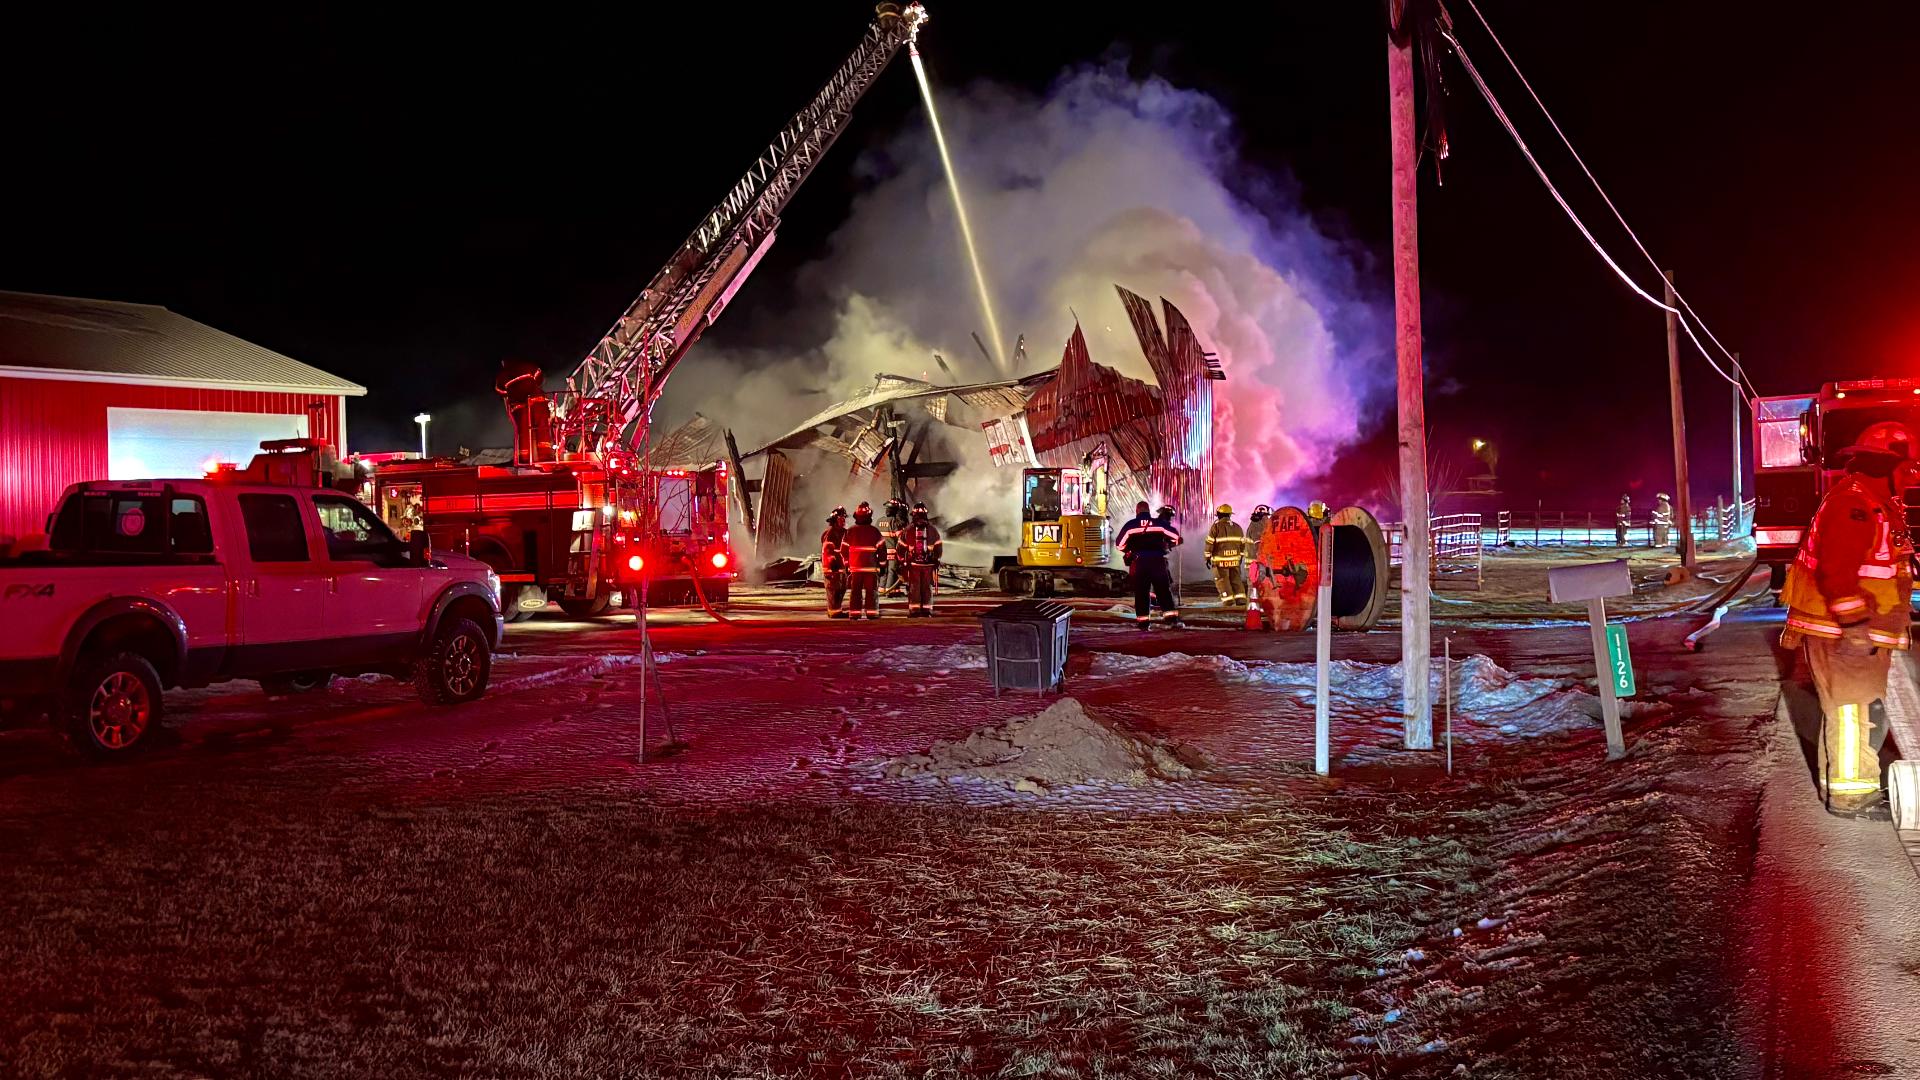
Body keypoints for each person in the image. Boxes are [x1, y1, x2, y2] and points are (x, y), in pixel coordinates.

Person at [1779, 421, 1918, 818]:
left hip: (1858, 633)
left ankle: (1851, 787)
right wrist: (1855, 627)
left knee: (1860, 710)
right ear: (1886, 465)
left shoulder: (1871, 500)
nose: (1909, 477)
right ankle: (1851, 796)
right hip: (1844, 634)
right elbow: (1838, 574)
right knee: (1853, 713)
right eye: (1905, 468)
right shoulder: (1855, 504)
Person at [1118, 502, 1181, 628]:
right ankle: (1171, 620)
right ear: (1148, 511)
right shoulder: (1159, 524)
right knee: (1163, 591)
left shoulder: (1130, 525)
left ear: (1137, 511)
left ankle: (1143, 623)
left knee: (1141, 593)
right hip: (1158, 562)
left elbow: (1120, 544)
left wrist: (1129, 550)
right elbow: (1175, 536)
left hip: (1139, 563)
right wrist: (1168, 545)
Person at [841, 501, 887, 620]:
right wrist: (883, 566)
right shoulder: (875, 531)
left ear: (856, 516)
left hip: (855, 569)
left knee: (855, 592)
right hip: (870, 569)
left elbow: (843, 550)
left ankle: (855, 614)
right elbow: (882, 551)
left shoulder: (849, 531)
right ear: (870, 517)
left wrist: (847, 564)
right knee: (871, 591)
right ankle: (871, 613)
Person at [898, 502, 944, 617]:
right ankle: (927, 611)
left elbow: (900, 548)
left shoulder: (908, 530)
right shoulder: (933, 530)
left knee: (914, 587)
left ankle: (915, 611)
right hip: (928, 565)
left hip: (913, 565)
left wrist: (902, 562)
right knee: (927, 588)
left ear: (913, 515)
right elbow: (938, 547)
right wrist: (936, 559)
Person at [1204, 504, 1248, 606]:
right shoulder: (1238, 527)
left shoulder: (1216, 527)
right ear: (1229, 515)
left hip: (1220, 561)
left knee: (1222, 580)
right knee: (1236, 579)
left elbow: (1209, 543)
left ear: (1219, 514)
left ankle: (1228, 601)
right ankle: (1241, 600)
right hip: (1235, 560)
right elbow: (1242, 544)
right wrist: (1240, 557)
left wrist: (1207, 557)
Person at [820, 506, 850, 618]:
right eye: (841, 518)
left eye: (844, 518)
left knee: (841, 589)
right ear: (835, 519)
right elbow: (827, 550)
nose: (844, 520)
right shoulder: (830, 533)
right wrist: (832, 562)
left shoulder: (844, 532)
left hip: (841, 566)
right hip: (832, 568)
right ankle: (833, 611)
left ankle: (837, 610)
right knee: (833, 590)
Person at [880, 496, 911, 596]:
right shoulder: (894, 522)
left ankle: (882, 589)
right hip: (892, 551)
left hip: (882, 552)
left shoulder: (879, 521)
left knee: (884, 571)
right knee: (892, 571)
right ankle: (890, 591)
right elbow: (900, 537)